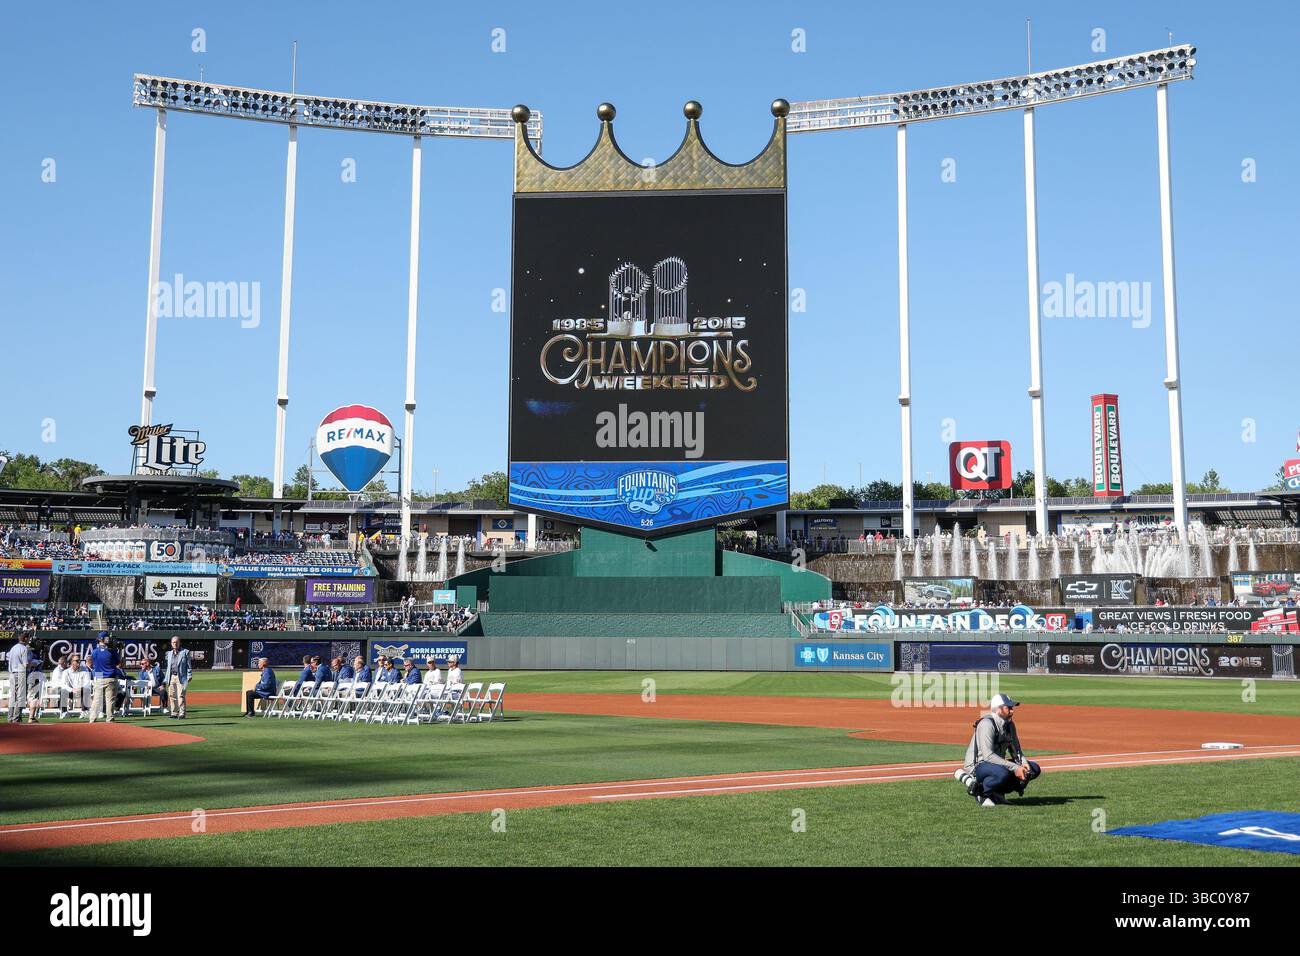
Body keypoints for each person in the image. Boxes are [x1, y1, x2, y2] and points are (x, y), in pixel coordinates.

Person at [955, 694, 1041, 807]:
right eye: (1008, 708)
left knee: (1034, 769)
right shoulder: (986, 724)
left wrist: (1024, 764)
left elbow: (1017, 751)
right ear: (998, 709)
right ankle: (981, 792)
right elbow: (988, 756)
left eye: (1012, 708)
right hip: (978, 765)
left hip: (996, 765)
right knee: (1003, 773)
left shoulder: (1010, 725)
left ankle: (997, 793)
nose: (1012, 711)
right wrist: (1015, 767)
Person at [87, 633, 120, 723]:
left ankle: (92, 718)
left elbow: (95, 664)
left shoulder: (94, 651)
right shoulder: (112, 651)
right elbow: (118, 662)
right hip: (111, 677)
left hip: (99, 676)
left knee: (96, 700)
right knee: (110, 700)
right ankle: (109, 719)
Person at [163, 636, 192, 719]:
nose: (175, 644)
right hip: (171, 676)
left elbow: (189, 665)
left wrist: (189, 675)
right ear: (171, 644)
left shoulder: (185, 652)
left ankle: (182, 713)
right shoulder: (169, 653)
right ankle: (174, 713)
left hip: (182, 677)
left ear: (180, 643)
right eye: (173, 642)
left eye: (176, 642)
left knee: (181, 695)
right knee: (172, 695)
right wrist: (166, 678)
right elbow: (168, 668)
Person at [6, 632, 33, 723]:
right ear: (25, 638)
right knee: (21, 696)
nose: (29, 639)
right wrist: (33, 664)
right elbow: (25, 664)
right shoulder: (24, 648)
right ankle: (17, 718)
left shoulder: (13, 648)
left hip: (12, 673)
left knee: (13, 696)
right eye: (28, 638)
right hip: (21, 672)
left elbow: (8, 658)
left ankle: (10, 717)